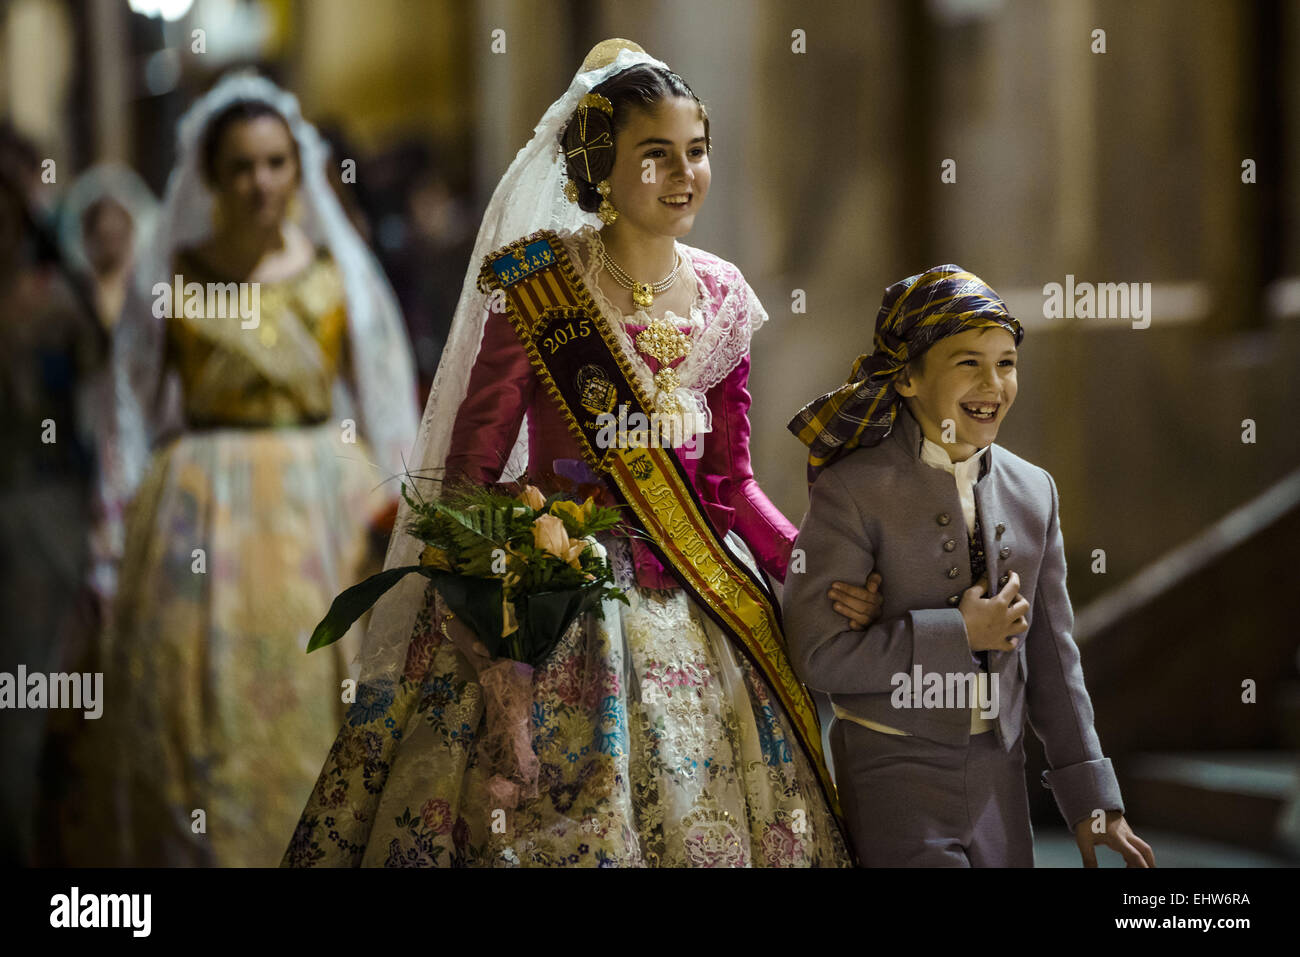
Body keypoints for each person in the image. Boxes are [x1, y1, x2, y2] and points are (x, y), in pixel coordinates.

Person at [284, 39, 880, 868]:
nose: (684, 174)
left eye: (697, 152)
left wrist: (811, 566)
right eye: (656, 155)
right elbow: (469, 478)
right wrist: (497, 604)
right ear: (601, 166)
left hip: (696, 594)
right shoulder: (538, 282)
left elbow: (733, 483)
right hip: (561, 601)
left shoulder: (723, 296)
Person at [53, 72, 419, 866]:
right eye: (243, 165)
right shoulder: (175, 274)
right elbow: (128, 405)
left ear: (298, 168)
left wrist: (407, 516)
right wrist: (112, 535)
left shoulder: (334, 271)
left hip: (321, 505)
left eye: (277, 163)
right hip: (201, 509)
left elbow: (384, 391)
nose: (261, 182)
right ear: (212, 176)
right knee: (193, 711)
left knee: (328, 691)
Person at [782, 264, 1156, 867]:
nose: (993, 383)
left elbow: (1054, 660)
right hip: (891, 772)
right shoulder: (852, 489)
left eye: (1006, 362)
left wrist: (1092, 797)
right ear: (906, 377)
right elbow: (819, 656)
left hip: (1000, 781)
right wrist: (959, 631)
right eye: (967, 362)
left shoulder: (1035, 491)